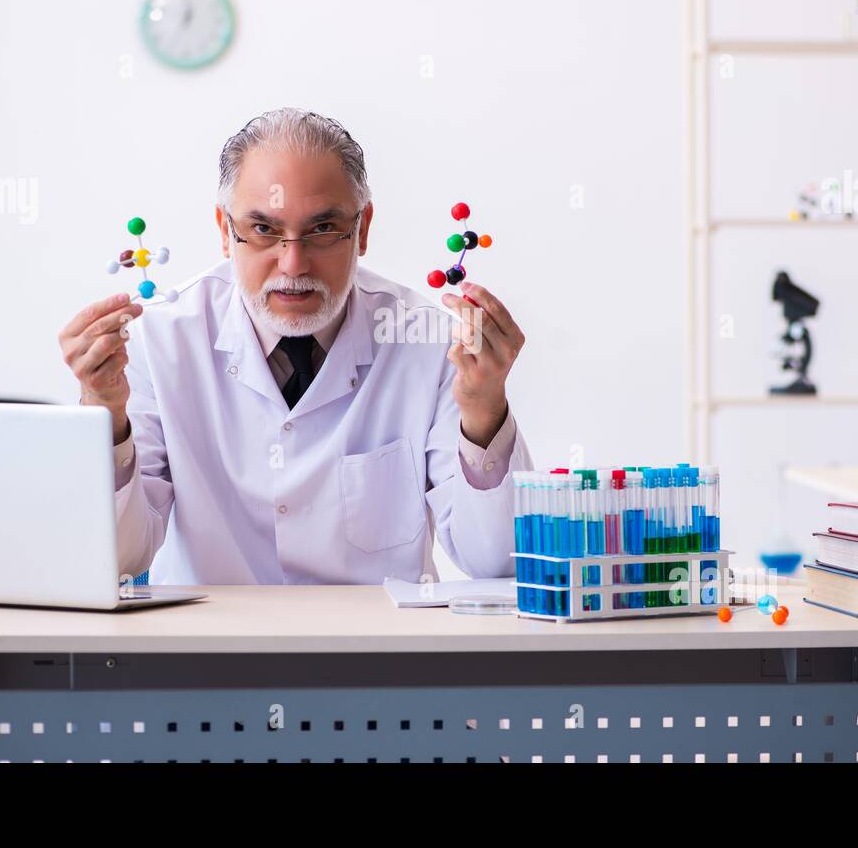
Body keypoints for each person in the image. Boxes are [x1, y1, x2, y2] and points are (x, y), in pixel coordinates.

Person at [58, 108, 532, 584]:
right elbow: (118, 557)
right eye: (263, 229)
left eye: (322, 229)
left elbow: (499, 561)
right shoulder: (159, 342)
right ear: (226, 231)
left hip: (376, 651)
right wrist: (103, 410)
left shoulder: (424, 341)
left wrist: (484, 407)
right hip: (207, 650)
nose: (293, 263)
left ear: (362, 228)